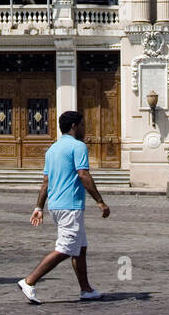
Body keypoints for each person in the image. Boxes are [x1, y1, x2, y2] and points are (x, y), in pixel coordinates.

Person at [18, 111, 110, 304]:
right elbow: (83, 174)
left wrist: (39, 207)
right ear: (75, 126)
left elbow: (46, 182)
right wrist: (100, 201)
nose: (84, 128)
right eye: (82, 124)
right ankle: (29, 281)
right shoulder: (78, 146)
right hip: (70, 205)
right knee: (67, 248)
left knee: (80, 248)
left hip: (56, 205)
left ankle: (86, 289)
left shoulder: (52, 149)